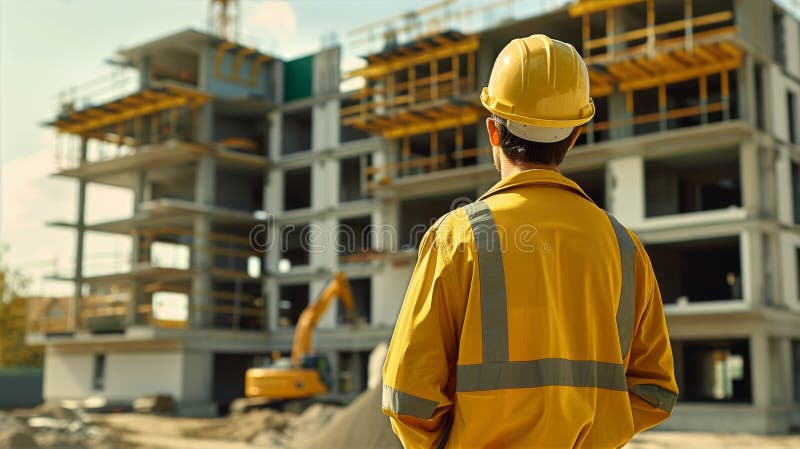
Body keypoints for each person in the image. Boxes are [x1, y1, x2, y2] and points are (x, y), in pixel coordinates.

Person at [381, 35, 678, 448]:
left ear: (493, 131)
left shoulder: (457, 237)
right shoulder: (624, 247)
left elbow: (408, 396)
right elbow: (655, 390)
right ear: (575, 136)